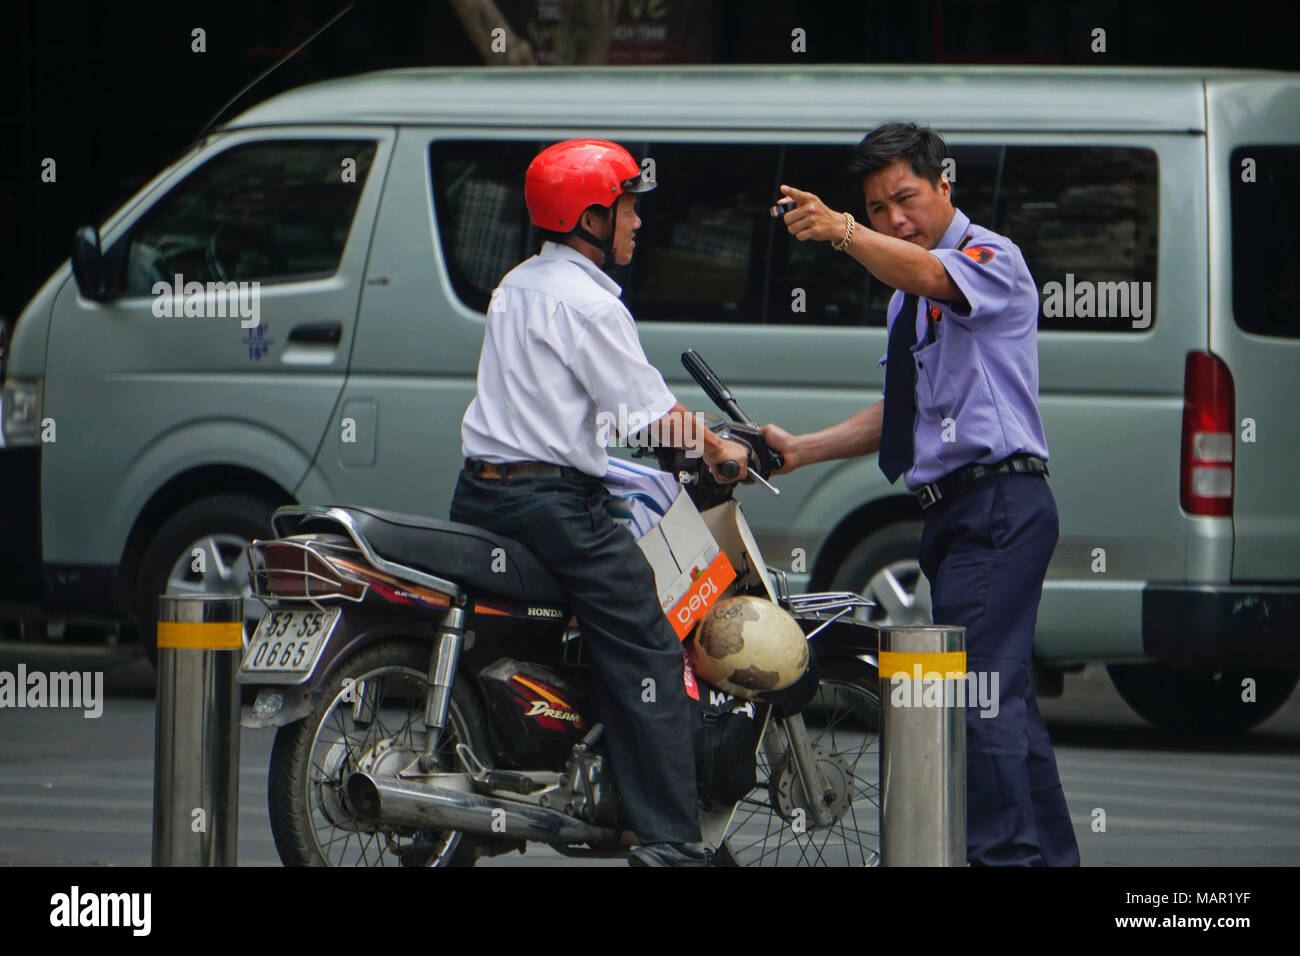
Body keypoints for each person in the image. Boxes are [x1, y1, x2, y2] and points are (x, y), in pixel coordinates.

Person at [762, 122, 1080, 867]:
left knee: (968, 700)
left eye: (904, 198)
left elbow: (931, 275)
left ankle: (1000, 859)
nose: (894, 219)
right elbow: (902, 412)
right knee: (1006, 705)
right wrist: (800, 450)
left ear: (946, 183)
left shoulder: (987, 259)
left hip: (999, 506)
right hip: (954, 515)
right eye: (875, 210)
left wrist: (841, 232)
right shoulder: (908, 298)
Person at [450, 138, 750, 867]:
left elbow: (579, 410)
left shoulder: (516, 285)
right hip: (553, 508)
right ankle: (669, 839)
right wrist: (718, 449)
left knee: (548, 630)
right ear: (591, 218)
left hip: (481, 496)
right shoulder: (588, 303)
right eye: (627, 208)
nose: (637, 223)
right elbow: (648, 415)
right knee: (646, 640)